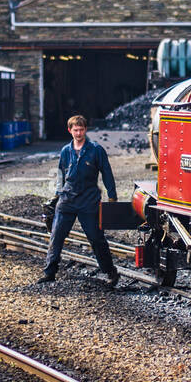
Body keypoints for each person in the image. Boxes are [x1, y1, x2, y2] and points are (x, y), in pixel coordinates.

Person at [38, 115, 120, 287]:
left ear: (85, 130)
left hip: (88, 201)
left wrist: (112, 196)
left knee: (96, 238)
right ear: (70, 131)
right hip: (67, 200)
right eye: (75, 130)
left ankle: (110, 272)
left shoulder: (96, 150)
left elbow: (107, 172)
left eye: (81, 129)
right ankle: (49, 272)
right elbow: (61, 173)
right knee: (56, 236)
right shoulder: (65, 151)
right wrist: (57, 194)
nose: (79, 133)